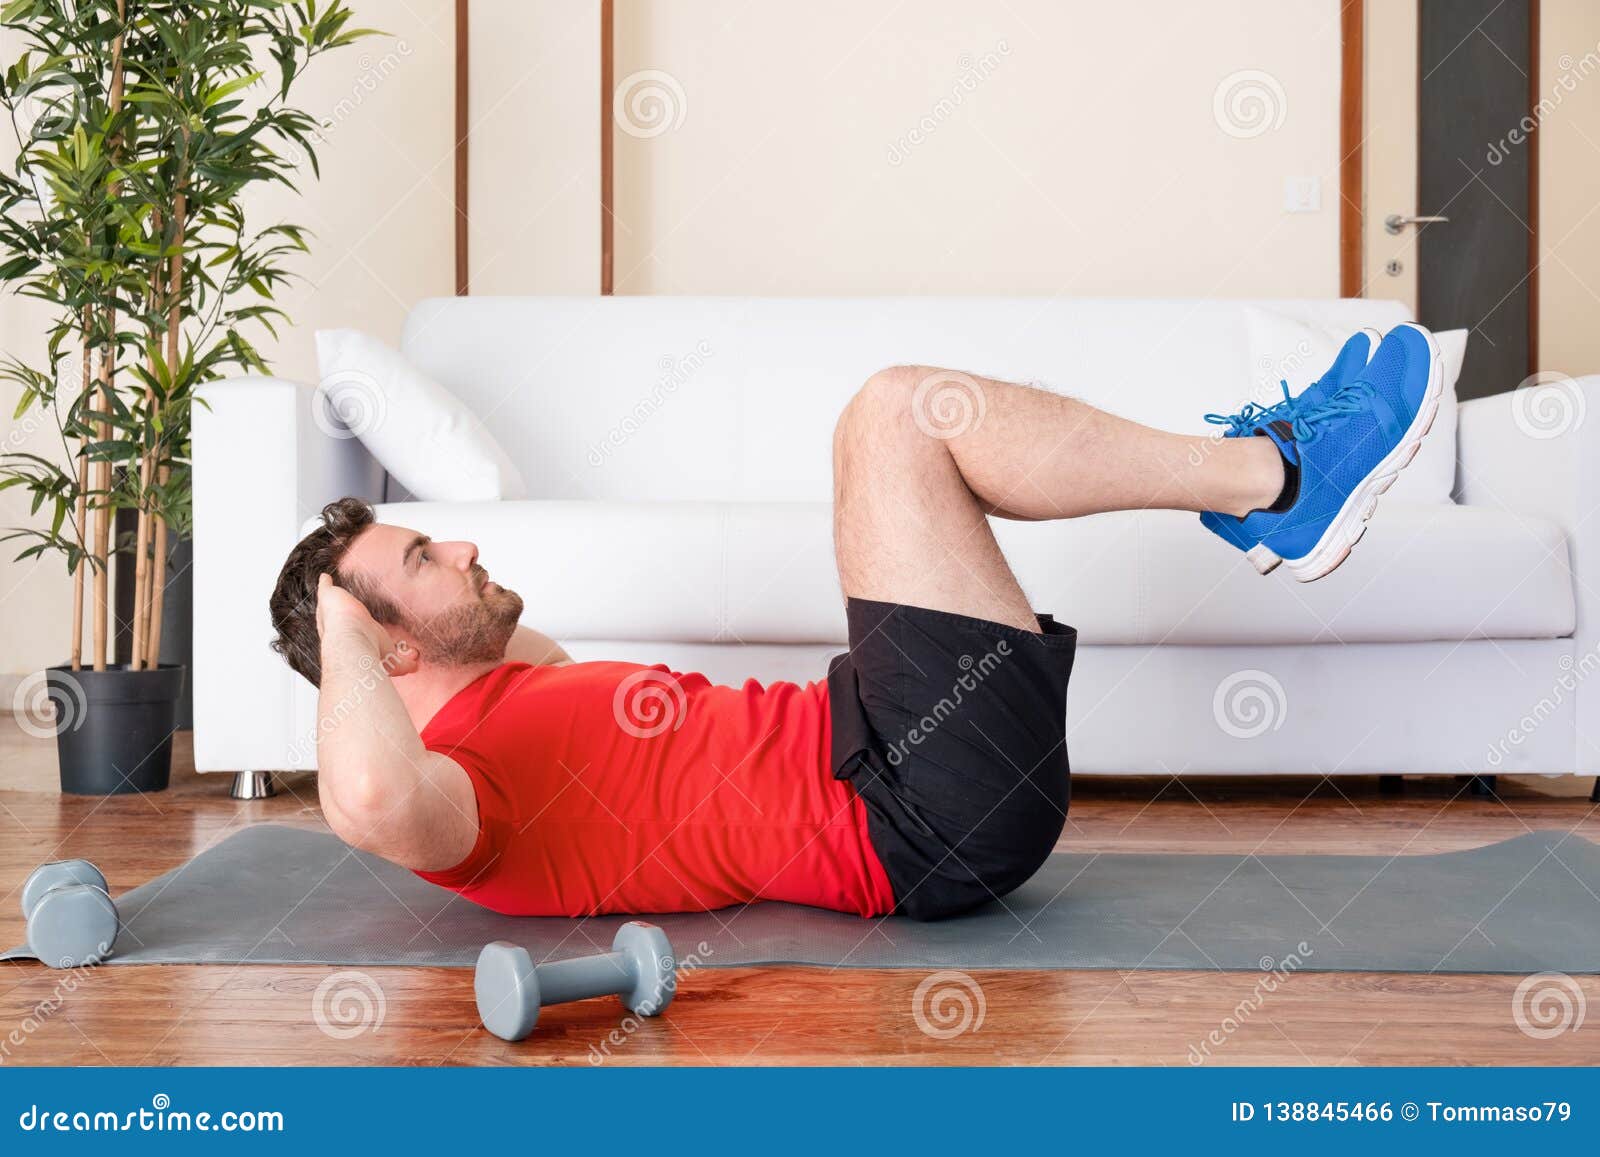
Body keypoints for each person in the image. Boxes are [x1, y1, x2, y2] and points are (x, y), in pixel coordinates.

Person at [267, 323, 1440, 920]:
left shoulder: (511, 687)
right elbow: (368, 797)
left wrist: (380, 597)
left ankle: (1268, 486)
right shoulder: (459, 796)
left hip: (888, 741)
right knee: (895, 415)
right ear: (387, 645)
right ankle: (1280, 483)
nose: (462, 543)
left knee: (883, 429)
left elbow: (491, 630)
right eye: (423, 557)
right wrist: (334, 618)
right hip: (914, 814)